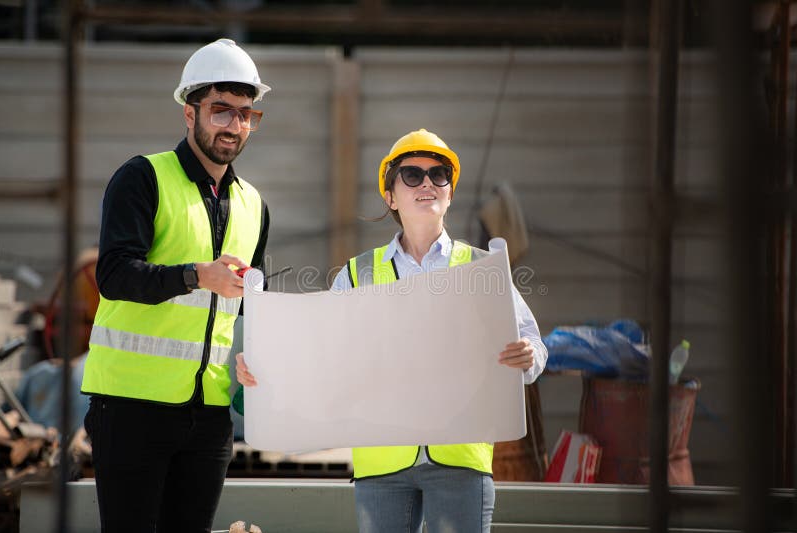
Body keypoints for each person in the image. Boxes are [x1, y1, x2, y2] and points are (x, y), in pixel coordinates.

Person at [236, 128, 547, 533]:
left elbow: (534, 350)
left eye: (438, 175)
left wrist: (527, 355)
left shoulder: (481, 269)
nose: (427, 184)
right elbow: (320, 355)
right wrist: (265, 367)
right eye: (412, 175)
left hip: (460, 460)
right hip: (382, 465)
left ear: (450, 193)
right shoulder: (357, 273)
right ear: (390, 195)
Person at [80, 38, 271, 533]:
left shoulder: (254, 204)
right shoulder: (142, 178)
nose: (235, 126)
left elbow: (251, 302)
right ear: (190, 113)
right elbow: (114, 274)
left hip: (209, 413)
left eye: (246, 114)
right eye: (221, 111)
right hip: (131, 408)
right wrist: (193, 275)